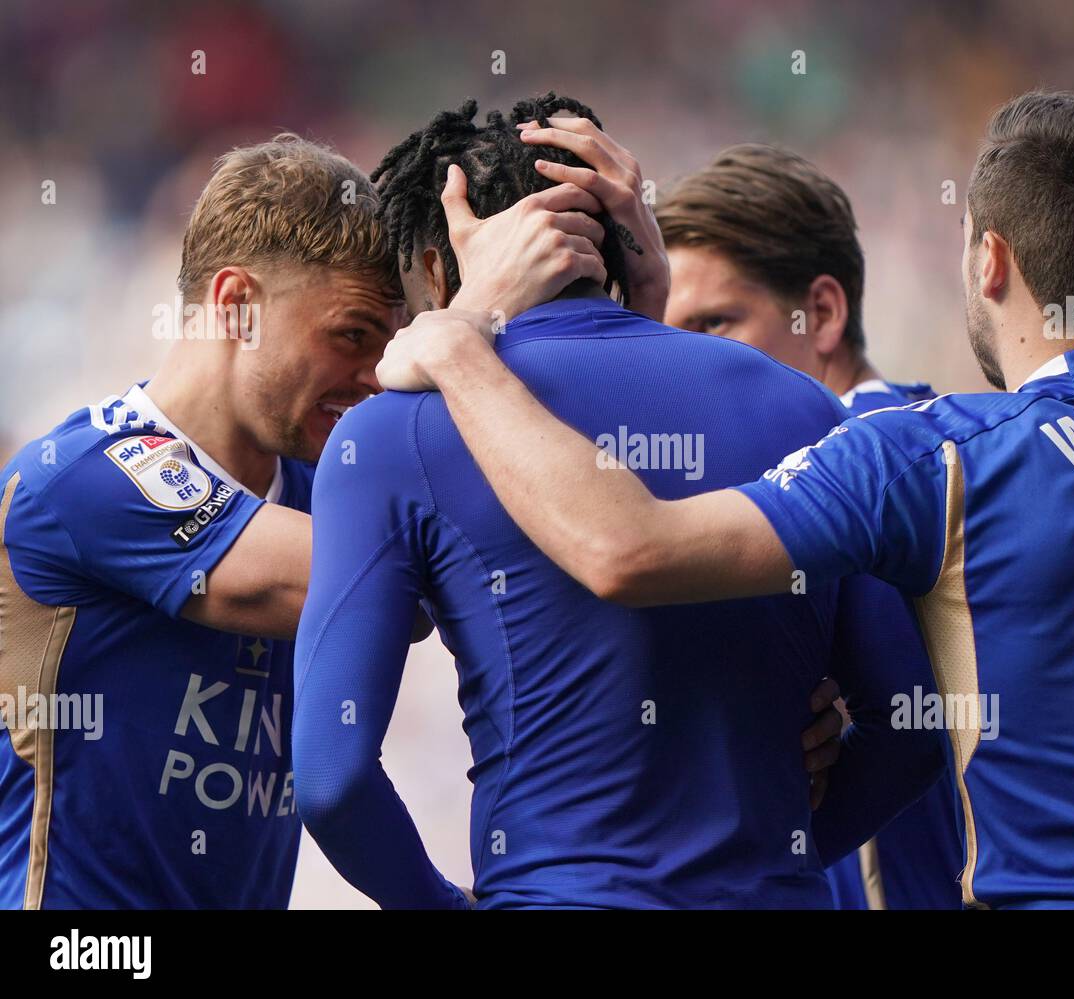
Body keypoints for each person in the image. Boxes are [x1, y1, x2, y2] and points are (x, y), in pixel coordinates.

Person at [377, 91, 1074, 908]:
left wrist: (460, 341)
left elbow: (627, 547)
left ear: (989, 261)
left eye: (715, 321)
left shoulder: (932, 457)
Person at [292, 94, 943, 909]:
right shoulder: (808, 408)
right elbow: (912, 729)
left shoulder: (392, 434)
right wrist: (787, 859)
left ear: (433, 268)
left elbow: (329, 779)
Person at [0, 130, 611, 909]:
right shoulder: (89, 474)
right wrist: (474, 321)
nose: (376, 376)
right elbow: (389, 577)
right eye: (352, 336)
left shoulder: (325, 482)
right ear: (235, 306)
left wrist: (639, 315)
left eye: (391, 343)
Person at [656, 142, 962, 910]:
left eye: (714, 324)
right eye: (668, 338)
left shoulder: (892, 476)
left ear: (821, 312)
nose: (686, 366)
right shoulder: (931, 444)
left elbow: (910, 733)